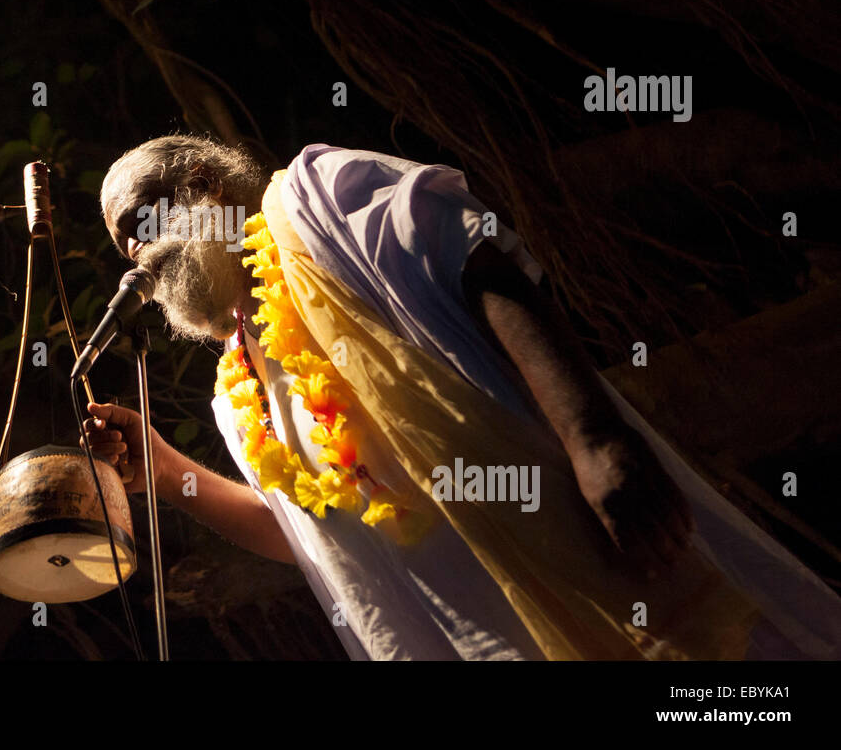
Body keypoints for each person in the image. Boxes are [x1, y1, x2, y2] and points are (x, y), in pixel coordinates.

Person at [81, 134, 841, 660]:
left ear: (205, 187)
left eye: (140, 224)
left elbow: (480, 260)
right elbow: (309, 538)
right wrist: (160, 465)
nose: (138, 257)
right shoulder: (234, 388)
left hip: (591, 556)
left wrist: (595, 442)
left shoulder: (315, 201)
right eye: (125, 249)